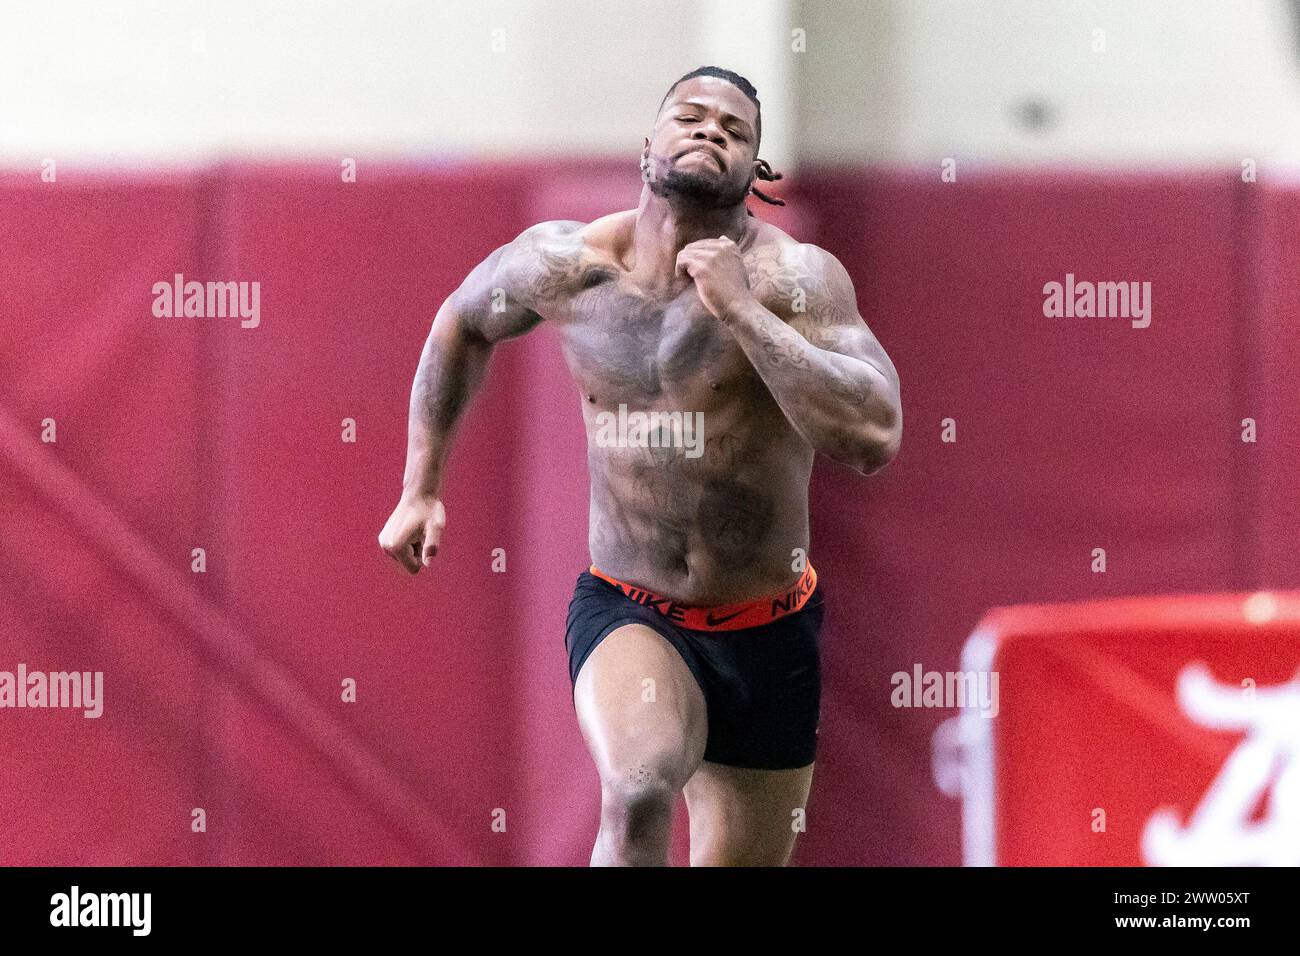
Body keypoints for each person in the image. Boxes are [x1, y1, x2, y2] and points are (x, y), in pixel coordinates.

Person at [379, 66, 902, 865]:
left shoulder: (794, 282)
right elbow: (461, 323)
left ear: (757, 173)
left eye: (734, 131)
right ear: (648, 144)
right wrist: (421, 487)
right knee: (639, 788)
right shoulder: (567, 264)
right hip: (633, 607)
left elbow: (873, 434)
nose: (709, 132)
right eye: (690, 117)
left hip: (770, 630)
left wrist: (743, 313)